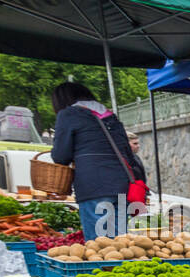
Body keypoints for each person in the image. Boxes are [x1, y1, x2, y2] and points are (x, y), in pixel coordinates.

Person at [49, 82, 146, 237]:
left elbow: (60, 157)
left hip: (93, 187)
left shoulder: (68, 115)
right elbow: (128, 154)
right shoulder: (110, 116)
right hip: (122, 186)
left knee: (99, 249)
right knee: (120, 246)